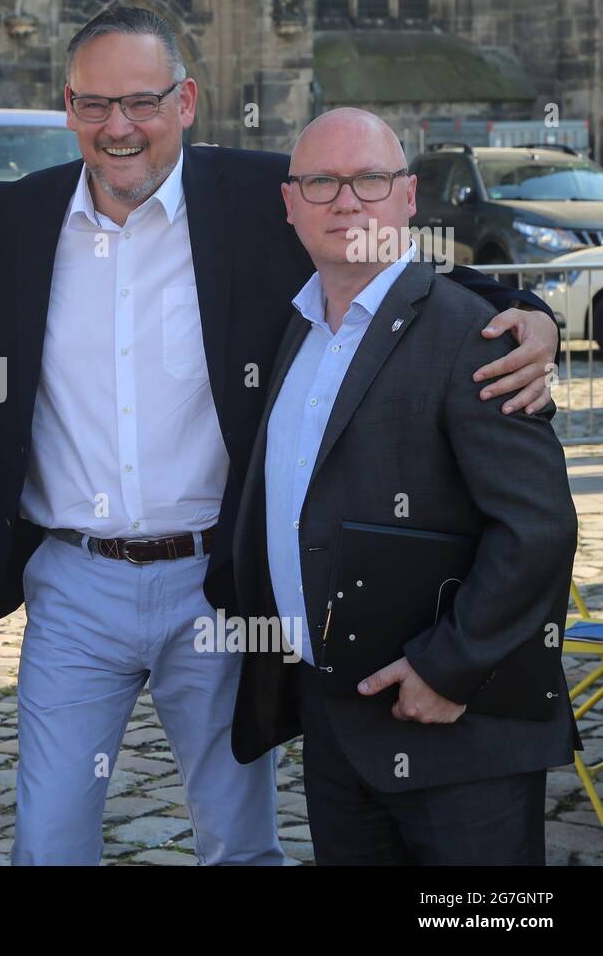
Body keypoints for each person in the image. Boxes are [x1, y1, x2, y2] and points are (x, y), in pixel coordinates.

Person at [0, 6, 562, 865]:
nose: (119, 126)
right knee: (47, 840)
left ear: (186, 101)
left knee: (238, 840)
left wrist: (526, 311)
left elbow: (382, 256)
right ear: (69, 107)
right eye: (95, 104)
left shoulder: (257, 195)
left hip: (218, 583)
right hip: (73, 583)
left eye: (143, 101)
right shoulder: (15, 216)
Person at [229, 107, 579, 865]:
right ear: (289, 203)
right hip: (335, 721)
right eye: (321, 182)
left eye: (370, 180)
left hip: (458, 730)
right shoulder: (296, 329)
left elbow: (539, 527)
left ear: (409, 196)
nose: (346, 201)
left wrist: (448, 669)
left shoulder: (479, 336)